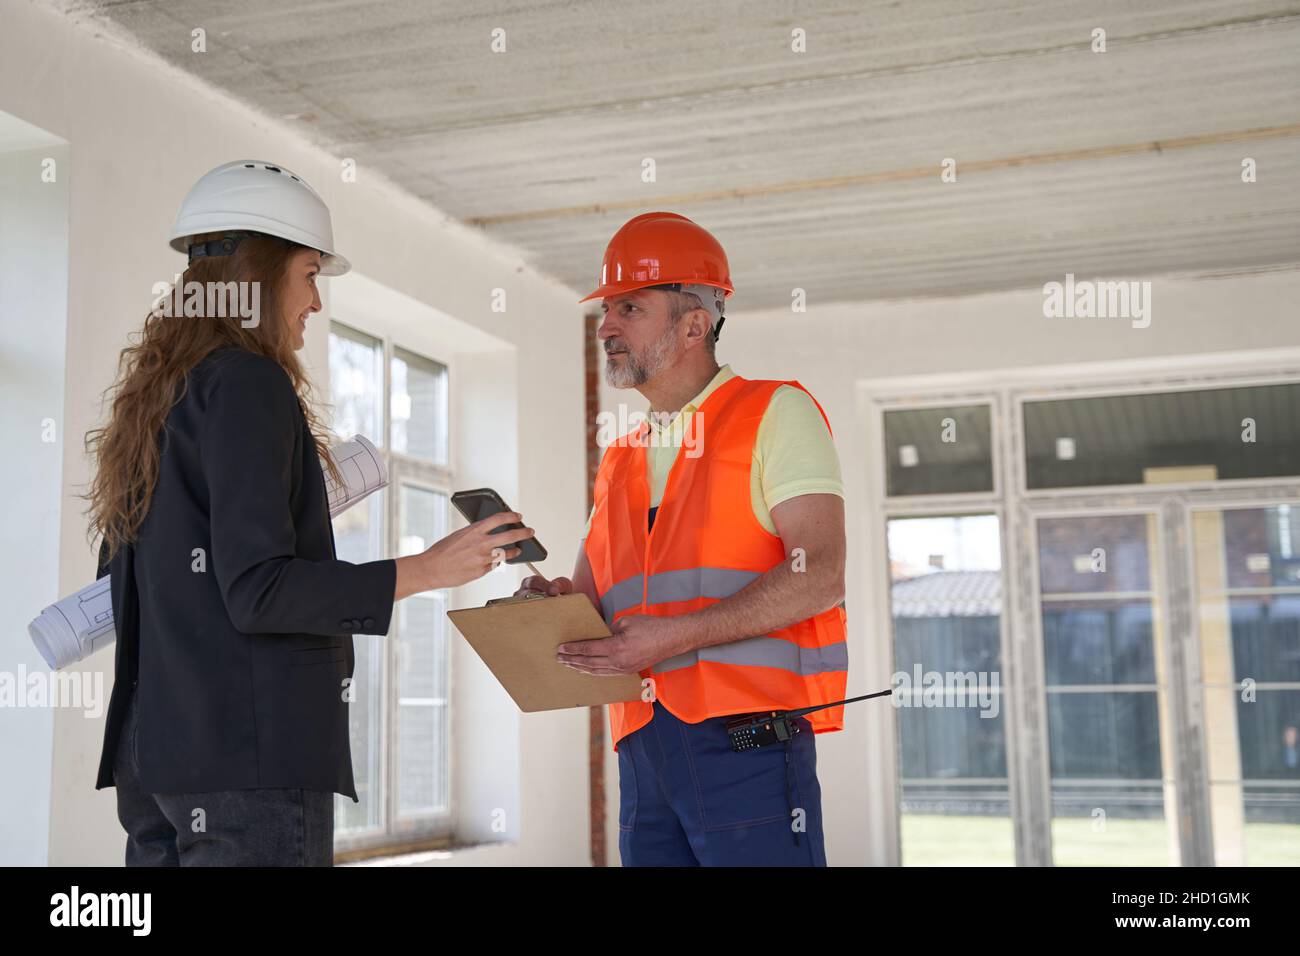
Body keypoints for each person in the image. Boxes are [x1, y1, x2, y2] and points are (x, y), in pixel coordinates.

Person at [84, 160, 534, 866]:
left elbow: (147, 578)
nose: (316, 302)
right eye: (310, 273)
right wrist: (426, 568)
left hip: (158, 756)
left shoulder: (159, 397)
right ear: (261, 274)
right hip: (246, 757)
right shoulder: (248, 383)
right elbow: (258, 589)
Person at [517, 211, 848, 866]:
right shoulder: (621, 458)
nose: (606, 328)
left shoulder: (773, 412)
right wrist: (547, 602)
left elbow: (820, 573)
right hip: (641, 746)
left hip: (747, 741)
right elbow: (587, 598)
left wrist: (677, 635)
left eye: (629, 309)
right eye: (606, 312)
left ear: (695, 324)